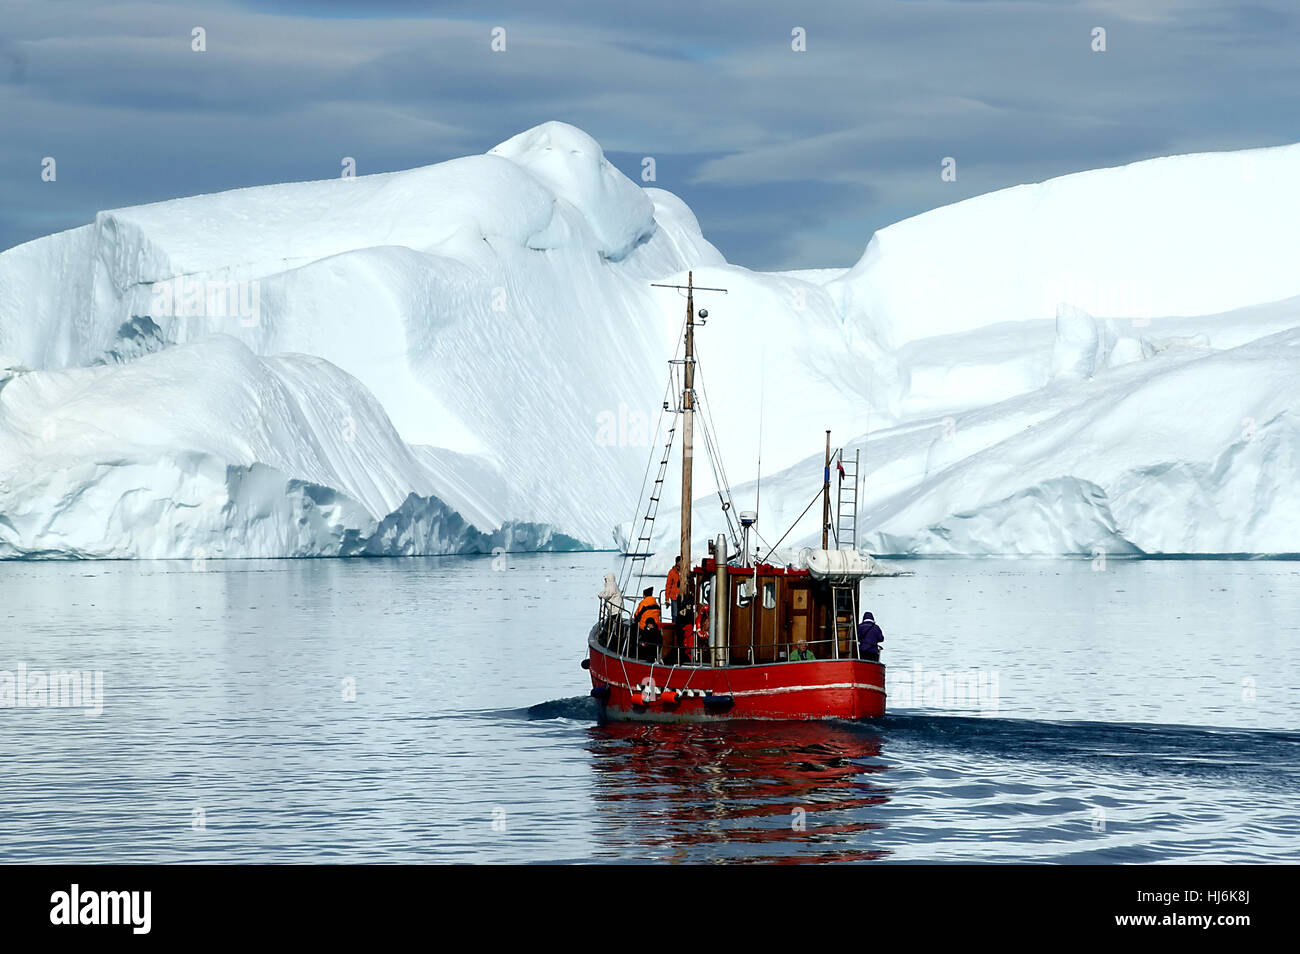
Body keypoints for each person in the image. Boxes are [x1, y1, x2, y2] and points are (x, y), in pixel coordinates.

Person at [634, 586, 662, 661]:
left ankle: (634, 651)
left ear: (644, 595)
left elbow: (636, 617)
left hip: (644, 628)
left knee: (633, 629)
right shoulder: (656, 603)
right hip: (656, 629)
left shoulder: (643, 603)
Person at [597, 573, 623, 645]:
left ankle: (605, 639)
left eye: (605, 579)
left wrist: (600, 595)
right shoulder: (613, 585)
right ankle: (614, 639)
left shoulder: (611, 585)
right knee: (615, 624)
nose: (605, 580)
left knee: (611, 624)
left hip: (615, 610)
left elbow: (607, 594)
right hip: (615, 609)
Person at [665, 556, 682, 622]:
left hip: (683, 597)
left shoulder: (684, 571)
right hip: (674, 596)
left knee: (683, 614)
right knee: (675, 614)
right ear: (677, 562)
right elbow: (668, 585)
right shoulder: (672, 572)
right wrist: (667, 598)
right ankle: (674, 628)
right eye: (680, 562)